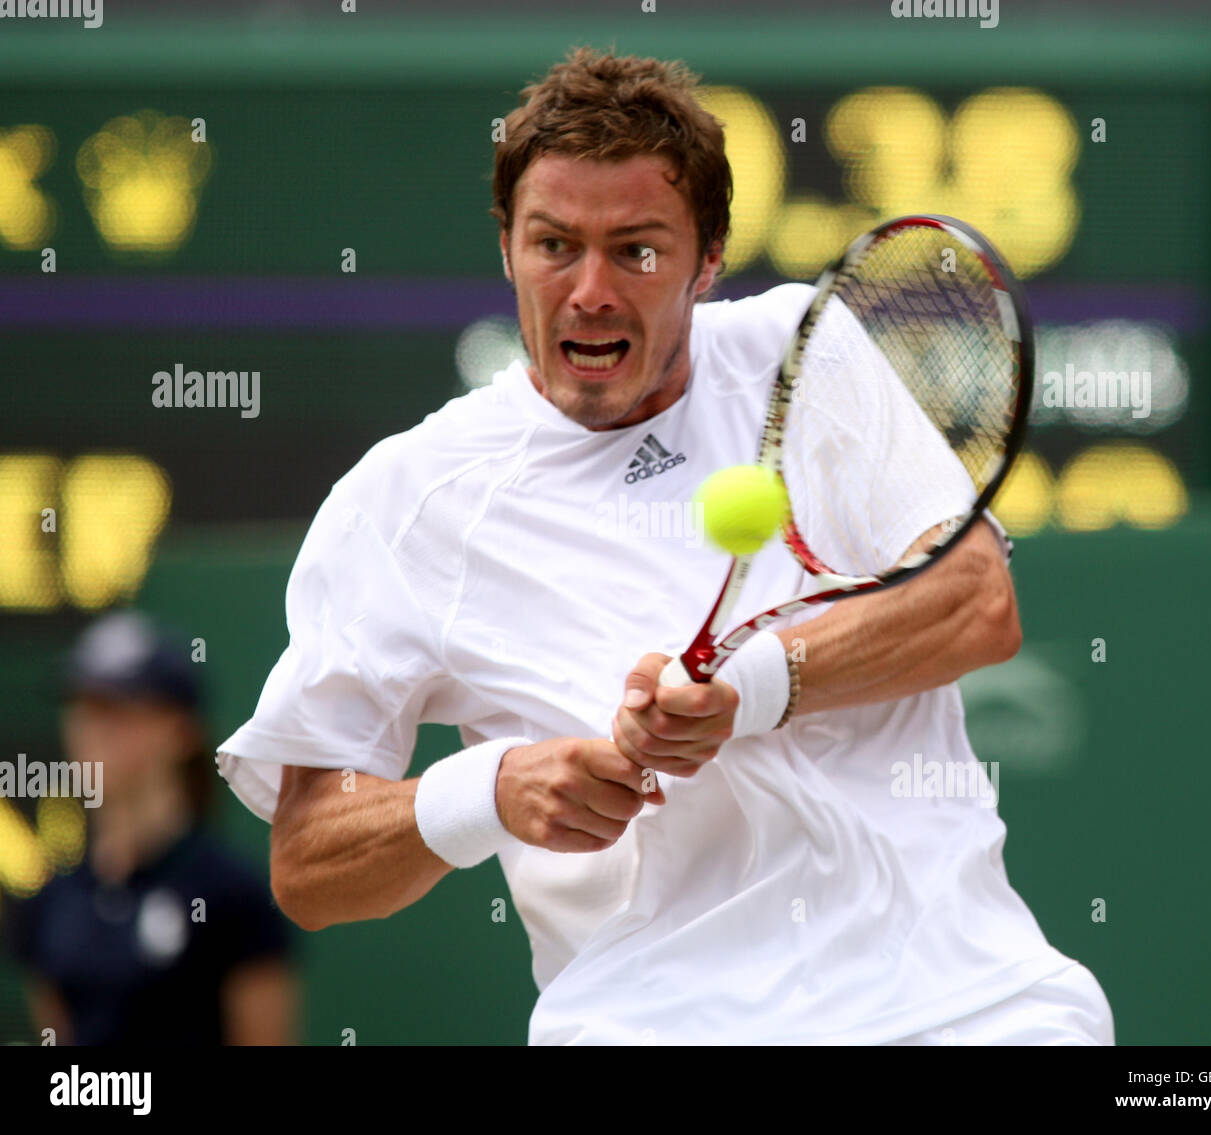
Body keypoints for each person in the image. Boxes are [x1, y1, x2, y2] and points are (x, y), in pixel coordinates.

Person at [216, 47, 1113, 1045]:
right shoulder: (407, 498)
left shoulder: (800, 349)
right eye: (555, 244)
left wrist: (746, 692)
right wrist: (495, 790)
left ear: (709, 257)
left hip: (964, 1004)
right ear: (506, 248)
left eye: (636, 250)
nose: (591, 290)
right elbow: (307, 866)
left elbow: (974, 603)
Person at [5, 610, 297, 1045]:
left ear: (179, 730)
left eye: (116, 709)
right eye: (82, 709)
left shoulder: (234, 898)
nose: (93, 730)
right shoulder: (51, 903)